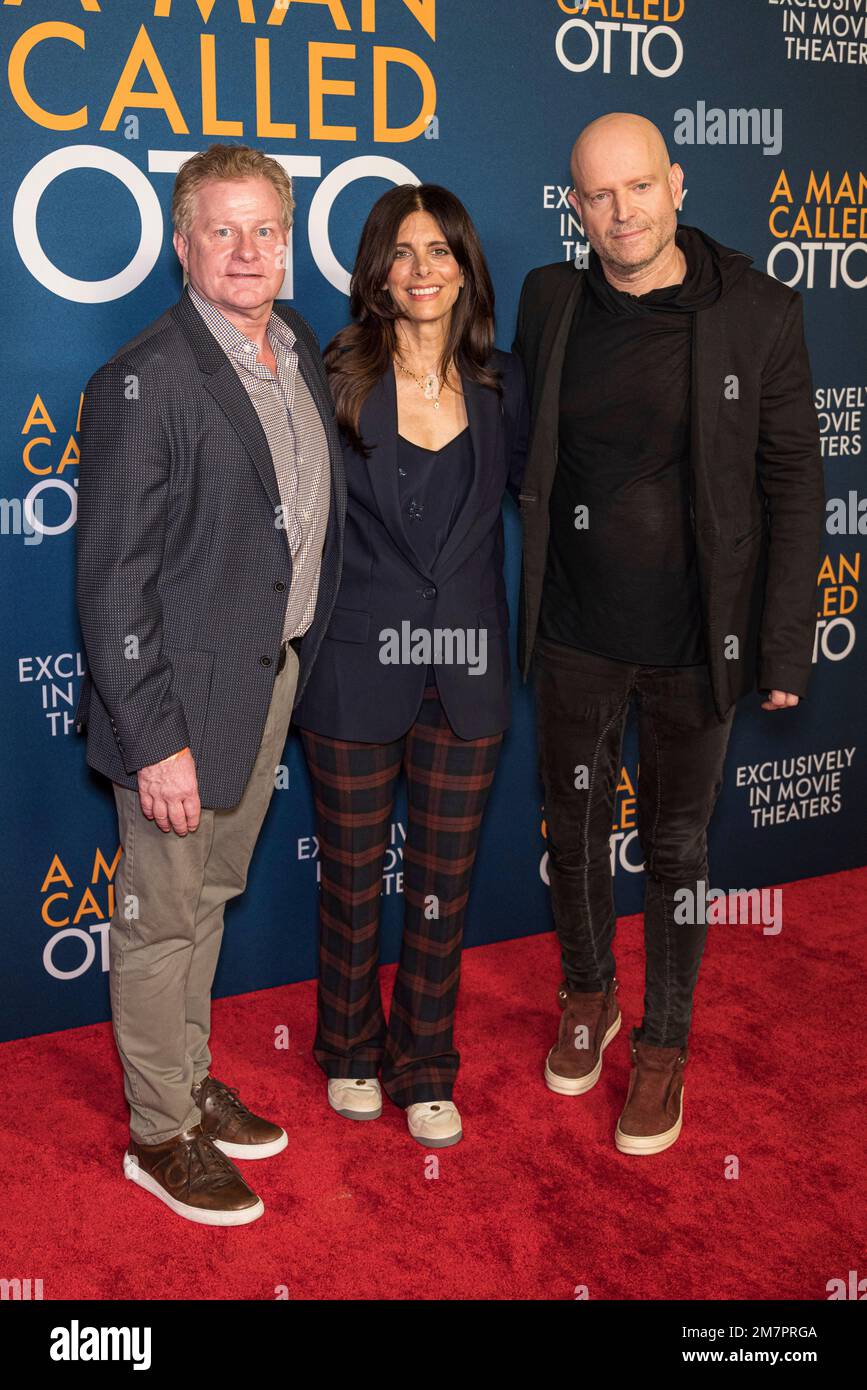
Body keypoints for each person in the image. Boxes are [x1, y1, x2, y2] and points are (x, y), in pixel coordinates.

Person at [513, 113, 824, 1155]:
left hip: (698, 642)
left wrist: (785, 643)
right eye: (598, 196)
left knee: (680, 849)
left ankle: (664, 1044)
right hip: (573, 633)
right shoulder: (551, 300)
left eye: (639, 187)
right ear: (575, 207)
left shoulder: (758, 310)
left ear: (677, 183)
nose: (621, 212)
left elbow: (793, 485)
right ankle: (588, 993)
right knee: (574, 830)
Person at [74, 144, 345, 1223]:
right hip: (175, 715)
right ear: (183, 244)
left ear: (287, 240)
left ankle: (185, 1081)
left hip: (266, 682)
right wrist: (154, 741)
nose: (246, 252)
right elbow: (111, 585)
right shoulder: (141, 378)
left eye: (265, 230)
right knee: (158, 921)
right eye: (221, 231)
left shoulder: (296, 345)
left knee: (209, 901)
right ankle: (158, 1132)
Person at [293, 184, 528, 1148]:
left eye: (441, 251)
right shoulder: (332, 374)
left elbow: (550, 503)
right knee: (351, 878)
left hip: (466, 672)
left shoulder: (503, 385)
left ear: (466, 267)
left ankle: (424, 1061)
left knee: (443, 879)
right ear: (375, 270)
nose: (423, 269)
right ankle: (348, 1047)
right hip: (354, 666)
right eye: (402, 252)